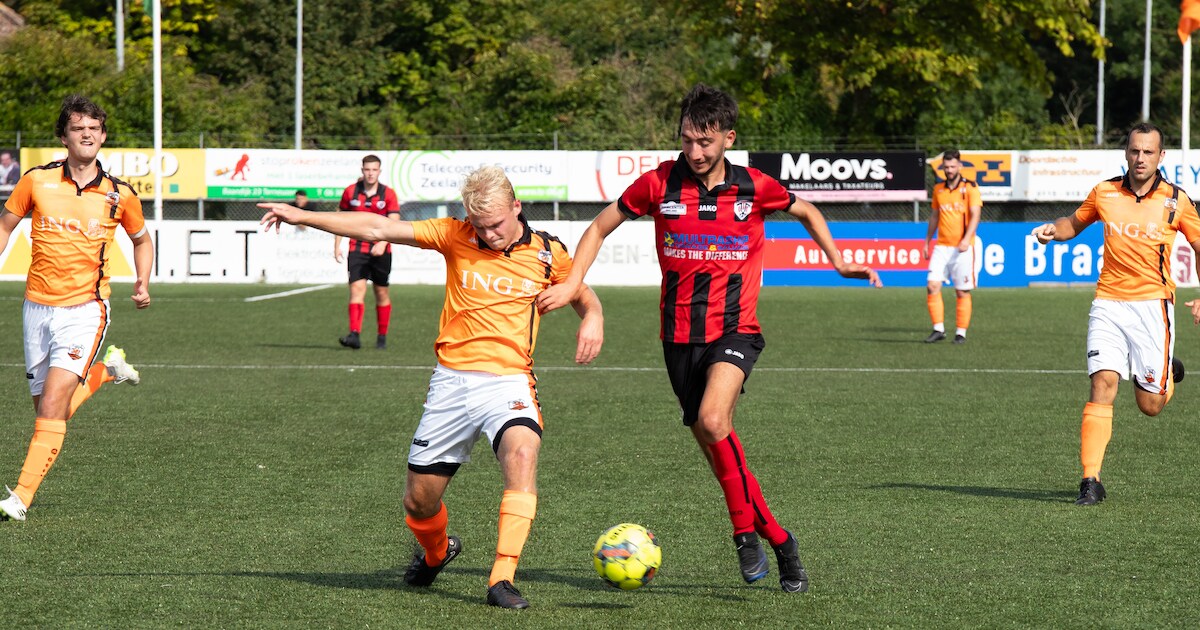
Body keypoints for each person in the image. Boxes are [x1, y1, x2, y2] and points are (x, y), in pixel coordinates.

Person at [536, 84, 880, 592]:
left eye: (706, 141)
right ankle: (783, 542)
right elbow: (598, 228)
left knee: (715, 420)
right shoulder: (657, 185)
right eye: (687, 140)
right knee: (720, 453)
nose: (695, 152)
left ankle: (744, 536)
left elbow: (805, 210)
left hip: (735, 330)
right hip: (677, 338)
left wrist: (838, 260)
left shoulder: (753, 187)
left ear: (728, 138)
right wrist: (571, 283)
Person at [259, 165, 604, 609]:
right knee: (419, 503)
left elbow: (582, 292)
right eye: (479, 225)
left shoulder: (546, 252)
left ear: (516, 207)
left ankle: (501, 578)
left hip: (510, 381)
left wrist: (593, 316)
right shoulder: (454, 234)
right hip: (451, 383)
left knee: (522, 453)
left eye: (496, 224)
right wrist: (303, 216)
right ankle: (438, 551)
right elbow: (378, 226)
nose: (489, 234)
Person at [0, 95, 153, 522]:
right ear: (64, 136)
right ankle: (108, 370)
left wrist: (142, 281)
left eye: (94, 128)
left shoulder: (119, 193)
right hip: (36, 308)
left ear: (103, 136)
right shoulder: (36, 181)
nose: (87, 134)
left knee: (51, 409)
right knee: (51, 410)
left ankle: (21, 498)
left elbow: (141, 240)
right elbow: (6, 225)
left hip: (86, 310)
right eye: (78, 127)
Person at [1032, 122, 1200, 506]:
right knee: (1103, 383)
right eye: (1134, 150)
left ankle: (1166, 370)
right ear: (1126, 152)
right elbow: (1073, 223)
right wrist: (1051, 231)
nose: (1140, 158)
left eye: (1148, 152)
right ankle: (1090, 481)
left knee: (1150, 405)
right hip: (1107, 303)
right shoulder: (1105, 191)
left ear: (1161, 157)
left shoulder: (1177, 200)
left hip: (1153, 307)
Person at [333, 155, 400, 350]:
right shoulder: (350, 192)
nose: (370, 173)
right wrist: (337, 244)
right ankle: (354, 334)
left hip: (382, 251)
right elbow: (340, 220)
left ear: (379, 171)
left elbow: (394, 223)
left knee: (381, 292)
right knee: (356, 289)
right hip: (357, 248)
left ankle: (382, 336)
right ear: (362, 170)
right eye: (367, 170)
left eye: (374, 170)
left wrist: (383, 242)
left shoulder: (388, 194)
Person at [923, 149, 982, 344]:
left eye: (952, 166)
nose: (949, 170)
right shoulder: (938, 189)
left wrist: (966, 238)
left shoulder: (970, 188)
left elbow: (975, 214)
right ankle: (938, 329)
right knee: (932, 285)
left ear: (959, 166)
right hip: (941, 246)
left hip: (963, 247)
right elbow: (934, 216)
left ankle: (960, 332)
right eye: (946, 167)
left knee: (961, 291)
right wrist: (927, 241)